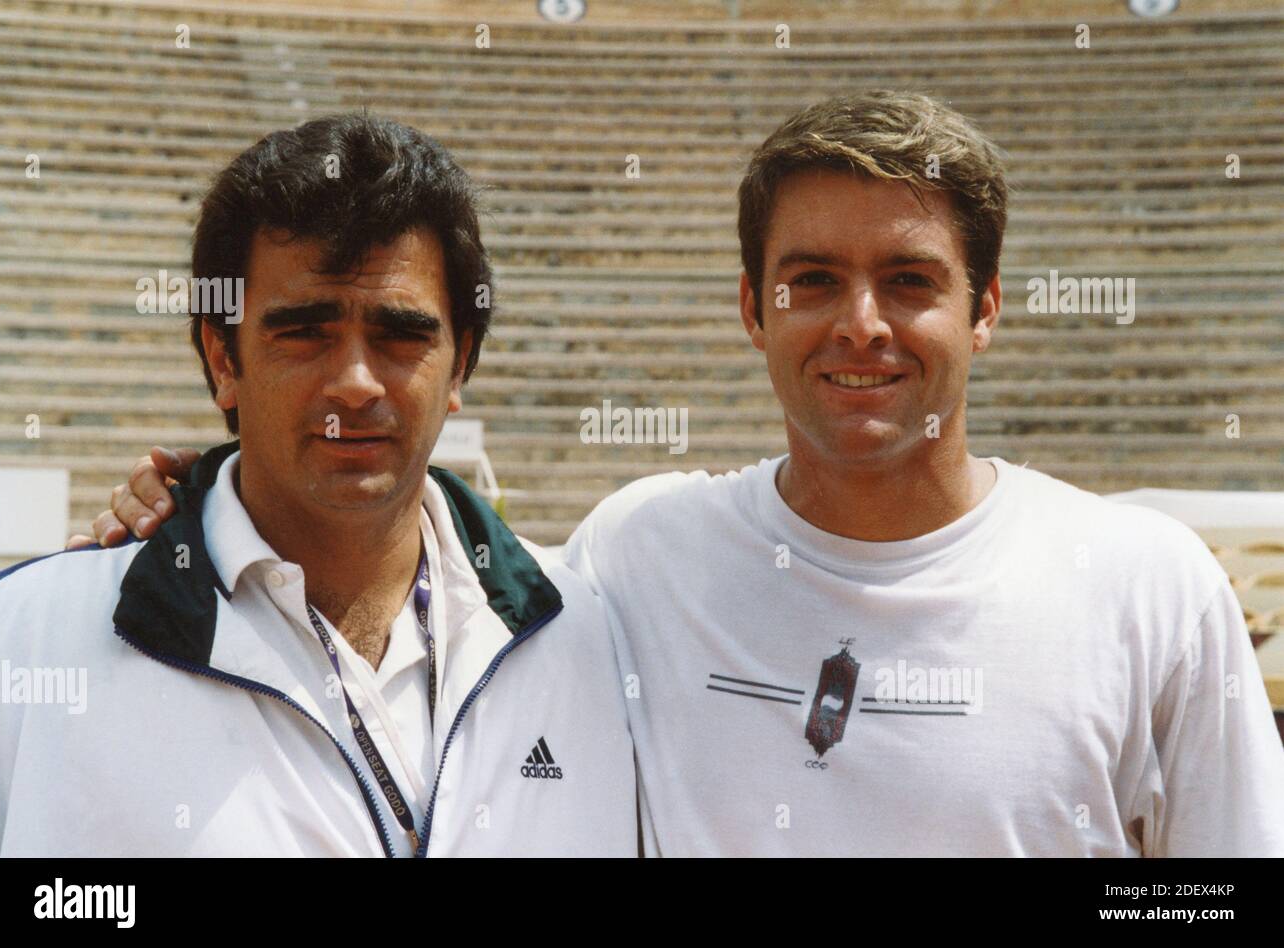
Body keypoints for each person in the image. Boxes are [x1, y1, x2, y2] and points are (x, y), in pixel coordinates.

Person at [86, 91, 1284, 856]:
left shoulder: (1143, 585)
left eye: (910, 282)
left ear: (985, 311)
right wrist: (197, 508)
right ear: (753, 309)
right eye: (812, 280)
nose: (860, 324)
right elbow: (386, 554)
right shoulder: (640, 555)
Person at [0, 114, 635, 857]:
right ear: (223, 358)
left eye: (401, 333)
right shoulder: (22, 644)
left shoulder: (590, 641)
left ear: (459, 364)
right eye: (302, 332)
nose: (355, 382)